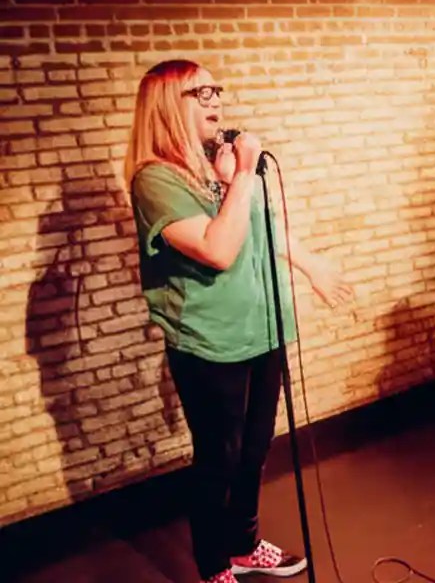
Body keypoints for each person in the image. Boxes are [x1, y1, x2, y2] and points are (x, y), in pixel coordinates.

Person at [125, 60, 354, 583]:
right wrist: (245, 175)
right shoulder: (155, 180)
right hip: (210, 341)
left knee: (255, 448)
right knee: (219, 457)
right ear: (166, 105)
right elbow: (218, 248)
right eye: (198, 92)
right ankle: (213, 565)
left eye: (215, 89)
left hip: (262, 325)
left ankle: (245, 544)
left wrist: (311, 263)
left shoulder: (216, 166)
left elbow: (259, 224)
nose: (214, 99)